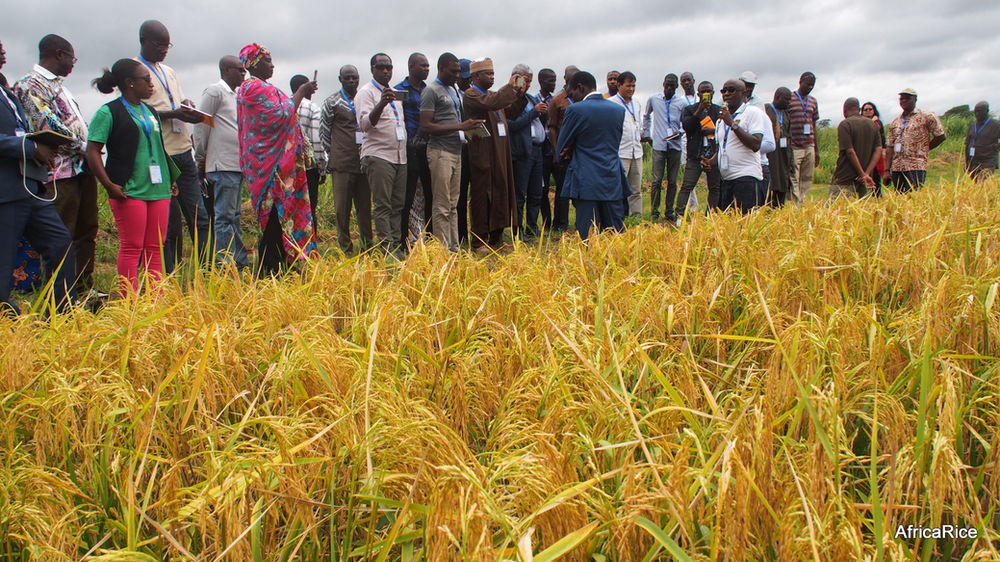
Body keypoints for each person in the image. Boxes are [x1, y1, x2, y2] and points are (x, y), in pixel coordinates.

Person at [12, 35, 100, 301]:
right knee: (62, 235)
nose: (74, 64)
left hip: (80, 169)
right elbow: (48, 125)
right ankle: (59, 296)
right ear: (59, 54)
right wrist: (85, 146)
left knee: (87, 231)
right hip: (58, 174)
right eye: (72, 58)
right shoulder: (29, 85)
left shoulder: (61, 87)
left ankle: (84, 289)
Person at [86, 59, 179, 296]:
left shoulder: (150, 112)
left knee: (155, 248)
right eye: (146, 80)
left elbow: (158, 147)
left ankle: (154, 300)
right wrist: (108, 184)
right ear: (129, 83)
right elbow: (93, 151)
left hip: (158, 189)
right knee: (132, 247)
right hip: (129, 189)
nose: (151, 85)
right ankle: (129, 304)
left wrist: (171, 177)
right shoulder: (109, 112)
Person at [1, 39, 75, 315]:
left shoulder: (6, 92)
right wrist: (31, 147)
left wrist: (43, 147)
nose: (4, 49)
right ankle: (7, 327)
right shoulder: (20, 87)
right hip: (6, 189)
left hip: (29, 186)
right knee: (4, 259)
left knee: (60, 243)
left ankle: (59, 313)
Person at [236, 43, 317, 275]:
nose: (272, 64)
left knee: (278, 217)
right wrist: (302, 91)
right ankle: (266, 268)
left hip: (275, 165)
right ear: (253, 63)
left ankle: (278, 264)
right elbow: (281, 115)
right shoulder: (253, 88)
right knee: (273, 218)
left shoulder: (261, 87)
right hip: (269, 167)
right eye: (267, 60)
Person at [135, 20, 210, 271]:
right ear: (144, 40)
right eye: (159, 44)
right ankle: (169, 274)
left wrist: (184, 105)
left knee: (199, 217)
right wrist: (173, 113)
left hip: (182, 151)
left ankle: (208, 272)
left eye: (168, 45)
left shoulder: (169, 72)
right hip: (160, 155)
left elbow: (174, 101)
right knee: (169, 224)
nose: (165, 50)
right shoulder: (134, 71)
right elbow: (137, 112)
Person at [419, 53, 484, 252]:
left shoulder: (453, 90)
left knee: (453, 204)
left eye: (458, 71)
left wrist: (470, 129)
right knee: (441, 204)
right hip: (440, 151)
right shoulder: (431, 91)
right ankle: (442, 250)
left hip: (456, 151)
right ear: (441, 68)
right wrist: (461, 126)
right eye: (453, 71)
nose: (458, 75)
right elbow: (426, 126)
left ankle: (454, 247)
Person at [556, 71, 629, 240]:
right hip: (612, 178)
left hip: (585, 180)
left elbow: (561, 149)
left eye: (571, 93)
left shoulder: (575, 110)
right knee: (615, 236)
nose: (570, 97)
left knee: (588, 236)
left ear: (579, 87)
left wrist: (571, 149)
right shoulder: (618, 110)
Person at [462, 57, 524, 251]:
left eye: (493, 73)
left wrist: (520, 94)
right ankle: (479, 240)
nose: (492, 77)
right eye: (488, 74)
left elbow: (511, 111)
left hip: (500, 152)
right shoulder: (472, 95)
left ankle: (496, 237)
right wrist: (510, 88)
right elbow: (493, 102)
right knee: (482, 195)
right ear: (475, 76)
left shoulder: (493, 95)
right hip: (483, 152)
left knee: (500, 192)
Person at [194, 56, 249, 269]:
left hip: (236, 164)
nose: (243, 75)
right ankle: (225, 264)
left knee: (234, 216)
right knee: (224, 216)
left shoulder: (236, 95)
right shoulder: (215, 92)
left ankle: (239, 261)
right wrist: (201, 156)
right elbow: (201, 124)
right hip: (222, 163)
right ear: (226, 70)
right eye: (240, 70)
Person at [356, 53, 407, 256]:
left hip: (399, 156)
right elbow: (365, 125)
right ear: (372, 69)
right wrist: (381, 103)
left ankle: (395, 245)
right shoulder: (365, 93)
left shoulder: (396, 93)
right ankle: (386, 250)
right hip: (378, 155)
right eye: (381, 67)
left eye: (389, 67)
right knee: (383, 205)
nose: (386, 71)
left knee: (398, 204)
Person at [319, 65, 373, 254]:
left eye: (355, 78)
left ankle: (367, 246)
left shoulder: (363, 99)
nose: (351, 81)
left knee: (365, 209)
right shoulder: (332, 102)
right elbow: (324, 131)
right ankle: (346, 249)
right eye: (348, 78)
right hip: (341, 164)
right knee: (342, 210)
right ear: (340, 79)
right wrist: (333, 153)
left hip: (363, 163)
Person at [700, 79, 765, 214]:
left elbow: (755, 144)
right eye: (724, 91)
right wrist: (709, 163)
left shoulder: (752, 112)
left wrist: (733, 124)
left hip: (746, 178)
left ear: (744, 93)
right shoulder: (720, 120)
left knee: (746, 225)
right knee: (729, 229)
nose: (726, 94)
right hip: (727, 180)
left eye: (731, 90)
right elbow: (721, 151)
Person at [504, 64, 548, 239]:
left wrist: (542, 112)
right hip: (522, 151)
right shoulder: (510, 100)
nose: (528, 84)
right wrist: (533, 113)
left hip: (537, 150)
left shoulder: (530, 98)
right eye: (525, 80)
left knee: (536, 191)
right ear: (516, 77)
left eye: (530, 81)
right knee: (520, 193)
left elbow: (540, 119)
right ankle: (518, 230)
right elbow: (512, 124)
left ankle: (532, 226)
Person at [396, 53, 433, 244]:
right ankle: (405, 238)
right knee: (407, 196)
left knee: (429, 193)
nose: (426, 69)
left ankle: (429, 237)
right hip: (408, 148)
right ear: (411, 67)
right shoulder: (399, 90)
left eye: (428, 66)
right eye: (423, 66)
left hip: (428, 146)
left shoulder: (429, 90)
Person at [643, 73, 685, 222]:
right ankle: (654, 212)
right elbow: (646, 115)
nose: (669, 88)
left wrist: (679, 132)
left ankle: (669, 211)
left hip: (675, 145)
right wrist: (647, 134)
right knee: (656, 180)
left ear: (676, 87)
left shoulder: (681, 103)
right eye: (667, 84)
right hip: (659, 145)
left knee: (672, 181)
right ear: (663, 84)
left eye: (672, 85)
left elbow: (685, 123)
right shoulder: (654, 99)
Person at [886, 88, 945, 192]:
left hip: (916, 165)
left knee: (914, 198)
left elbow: (940, 136)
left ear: (915, 99)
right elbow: (890, 146)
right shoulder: (896, 121)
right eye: (901, 99)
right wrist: (887, 170)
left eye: (907, 98)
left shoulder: (927, 116)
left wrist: (925, 148)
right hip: (897, 167)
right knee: (898, 200)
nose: (903, 101)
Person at [677, 81, 721, 216]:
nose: (705, 94)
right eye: (703, 91)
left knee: (714, 187)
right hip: (695, 154)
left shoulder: (718, 111)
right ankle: (679, 215)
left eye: (708, 91)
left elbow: (723, 131)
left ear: (713, 93)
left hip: (713, 155)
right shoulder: (690, 109)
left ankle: (710, 215)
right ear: (698, 94)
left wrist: (712, 129)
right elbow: (687, 126)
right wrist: (699, 110)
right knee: (687, 186)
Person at [290, 74, 325, 233]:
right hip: (308, 168)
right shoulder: (312, 108)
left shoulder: (285, 104)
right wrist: (322, 168)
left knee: (291, 207)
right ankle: (310, 242)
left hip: (288, 168)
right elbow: (316, 141)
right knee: (309, 207)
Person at [829, 97, 881, 199]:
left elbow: (850, 152)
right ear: (859, 109)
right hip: (865, 177)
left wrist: (861, 174)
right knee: (861, 208)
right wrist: (866, 173)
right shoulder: (872, 125)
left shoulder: (845, 124)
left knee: (836, 206)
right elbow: (878, 149)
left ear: (844, 110)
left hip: (845, 177)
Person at [547, 65, 579, 232]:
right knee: (562, 189)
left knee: (580, 188)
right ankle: (560, 225)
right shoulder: (557, 100)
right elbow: (551, 127)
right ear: (565, 79)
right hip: (563, 152)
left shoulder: (583, 99)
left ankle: (582, 221)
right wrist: (555, 151)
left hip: (579, 152)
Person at [609, 71, 643, 217]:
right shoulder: (611, 104)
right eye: (628, 86)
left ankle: (636, 217)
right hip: (620, 152)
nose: (631, 89)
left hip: (636, 151)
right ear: (619, 85)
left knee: (636, 188)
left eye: (633, 86)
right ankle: (618, 217)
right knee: (619, 188)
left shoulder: (637, 103)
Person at [739, 71, 775, 206]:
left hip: (757, 167)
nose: (748, 89)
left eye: (751, 86)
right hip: (735, 173)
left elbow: (769, 144)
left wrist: (746, 147)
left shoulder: (758, 107)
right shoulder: (727, 115)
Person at [787, 72, 819, 205]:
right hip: (795, 145)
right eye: (808, 84)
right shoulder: (790, 98)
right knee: (794, 176)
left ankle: (802, 202)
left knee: (806, 177)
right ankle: (796, 204)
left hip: (809, 145)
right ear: (800, 82)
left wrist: (816, 149)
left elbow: (814, 124)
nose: (810, 87)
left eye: (812, 85)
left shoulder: (813, 101)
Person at [764, 88, 794, 206]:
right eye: (786, 99)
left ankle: (779, 205)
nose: (789, 102)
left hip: (783, 153)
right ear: (777, 97)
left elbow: (790, 136)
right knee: (772, 179)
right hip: (771, 153)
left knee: (782, 179)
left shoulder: (787, 113)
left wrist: (791, 158)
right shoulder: (766, 109)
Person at [536, 68, 557, 230]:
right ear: (541, 81)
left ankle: (558, 221)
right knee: (542, 188)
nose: (554, 83)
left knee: (559, 186)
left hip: (554, 148)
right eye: (550, 80)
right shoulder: (535, 101)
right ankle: (546, 222)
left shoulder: (555, 101)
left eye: (555, 80)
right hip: (541, 149)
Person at [964, 101, 999, 179]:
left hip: (988, 160)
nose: (977, 114)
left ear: (986, 111)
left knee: (983, 182)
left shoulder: (995, 125)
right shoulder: (973, 126)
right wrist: (967, 162)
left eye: (979, 111)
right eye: (975, 111)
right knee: (975, 184)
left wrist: (996, 147)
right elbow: (967, 144)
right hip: (973, 161)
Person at [861, 102, 887, 196]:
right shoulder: (860, 122)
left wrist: (884, 150)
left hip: (876, 152)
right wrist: (871, 122)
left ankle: (877, 195)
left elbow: (882, 137)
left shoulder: (878, 123)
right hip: (864, 152)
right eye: (865, 109)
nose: (868, 111)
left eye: (870, 109)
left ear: (874, 110)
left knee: (876, 175)